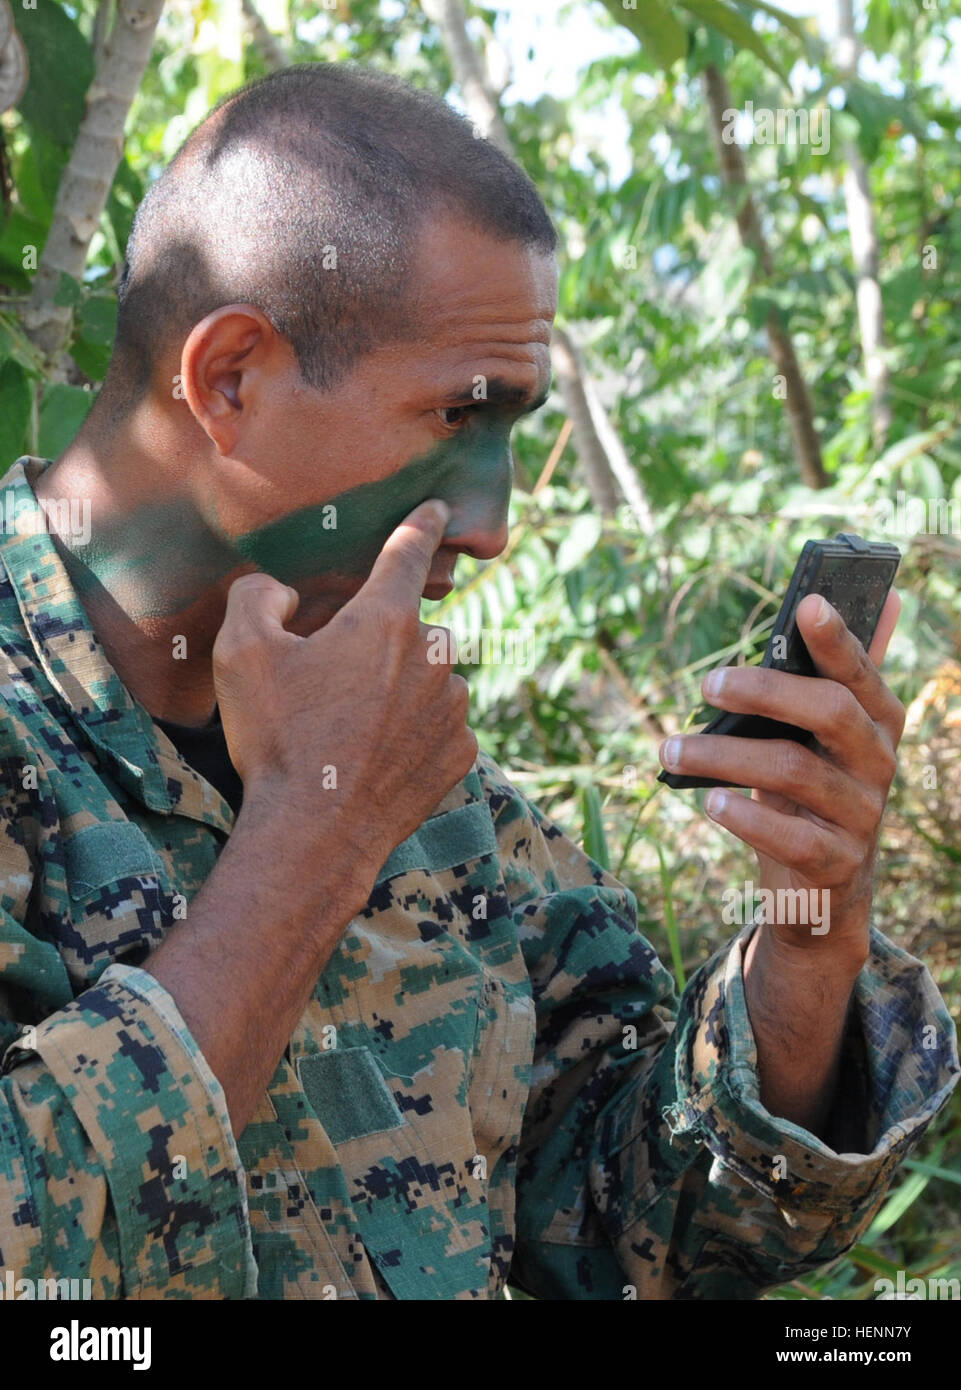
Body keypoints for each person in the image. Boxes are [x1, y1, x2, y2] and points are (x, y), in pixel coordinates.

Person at [0, 63, 956, 1301]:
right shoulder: (345, 760)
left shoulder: (414, 760)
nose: (496, 524)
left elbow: (639, 1226)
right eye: (461, 416)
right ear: (229, 377)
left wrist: (812, 922)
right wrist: (317, 836)